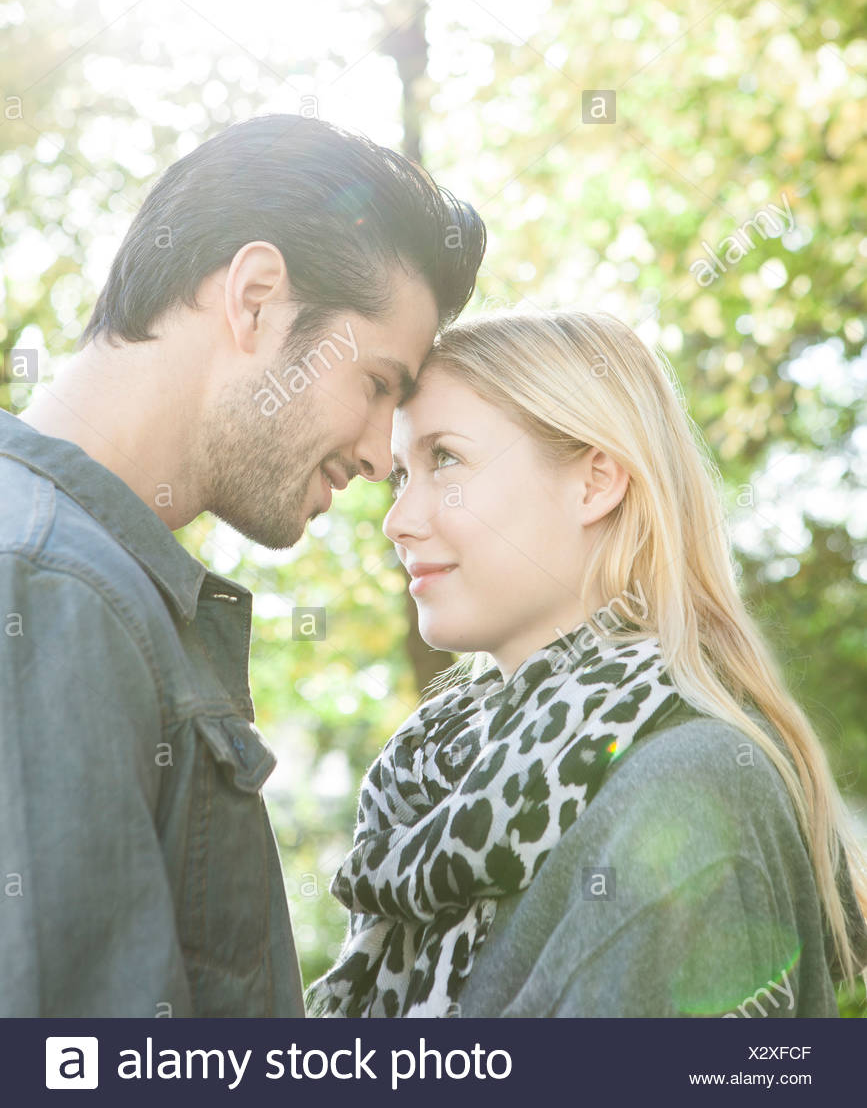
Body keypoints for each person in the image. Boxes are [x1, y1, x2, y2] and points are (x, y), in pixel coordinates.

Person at [0, 112, 486, 1016]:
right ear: (255, 298)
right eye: (378, 384)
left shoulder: (93, 584)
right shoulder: (45, 586)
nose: (382, 457)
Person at [307, 309, 867, 1018]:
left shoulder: (688, 787)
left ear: (595, 481)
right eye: (398, 475)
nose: (398, 520)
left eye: (444, 459)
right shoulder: (435, 781)